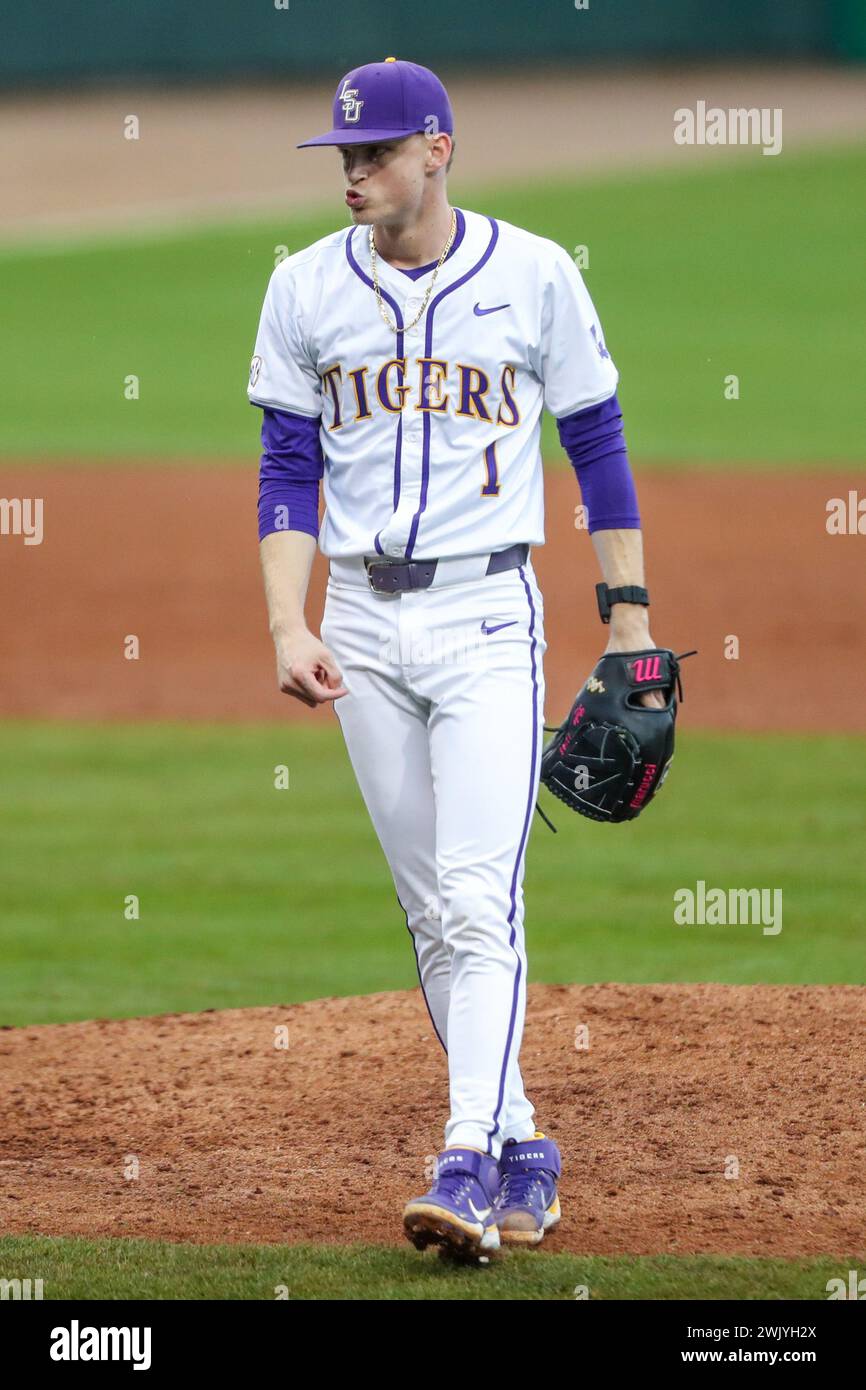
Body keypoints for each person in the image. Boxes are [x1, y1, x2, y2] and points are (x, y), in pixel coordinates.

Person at [249, 57, 664, 1259]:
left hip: (489, 618)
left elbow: (596, 444)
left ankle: (465, 1164)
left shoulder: (533, 274)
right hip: (362, 629)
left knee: (482, 902)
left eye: (373, 152)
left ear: (439, 148)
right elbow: (286, 470)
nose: (353, 173)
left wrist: (627, 615)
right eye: (341, 156)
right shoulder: (300, 289)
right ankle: (520, 1136)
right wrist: (289, 620)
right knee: (433, 910)